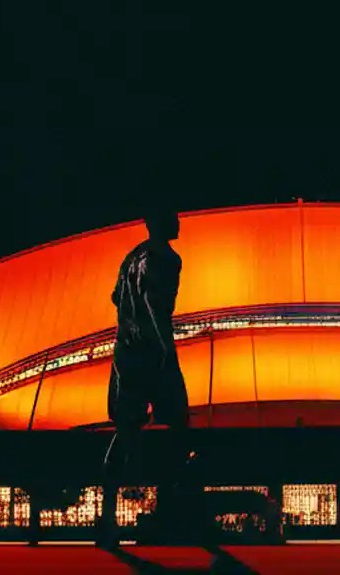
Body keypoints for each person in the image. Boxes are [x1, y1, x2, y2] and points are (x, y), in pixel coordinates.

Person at [95, 207, 193, 548]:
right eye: (173, 219)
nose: (178, 223)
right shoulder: (168, 258)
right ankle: (172, 508)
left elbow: (114, 297)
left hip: (126, 351)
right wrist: (163, 346)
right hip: (154, 349)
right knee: (179, 422)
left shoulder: (132, 256)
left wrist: (130, 322)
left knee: (127, 428)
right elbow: (156, 303)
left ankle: (106, 519)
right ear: (159, 224)